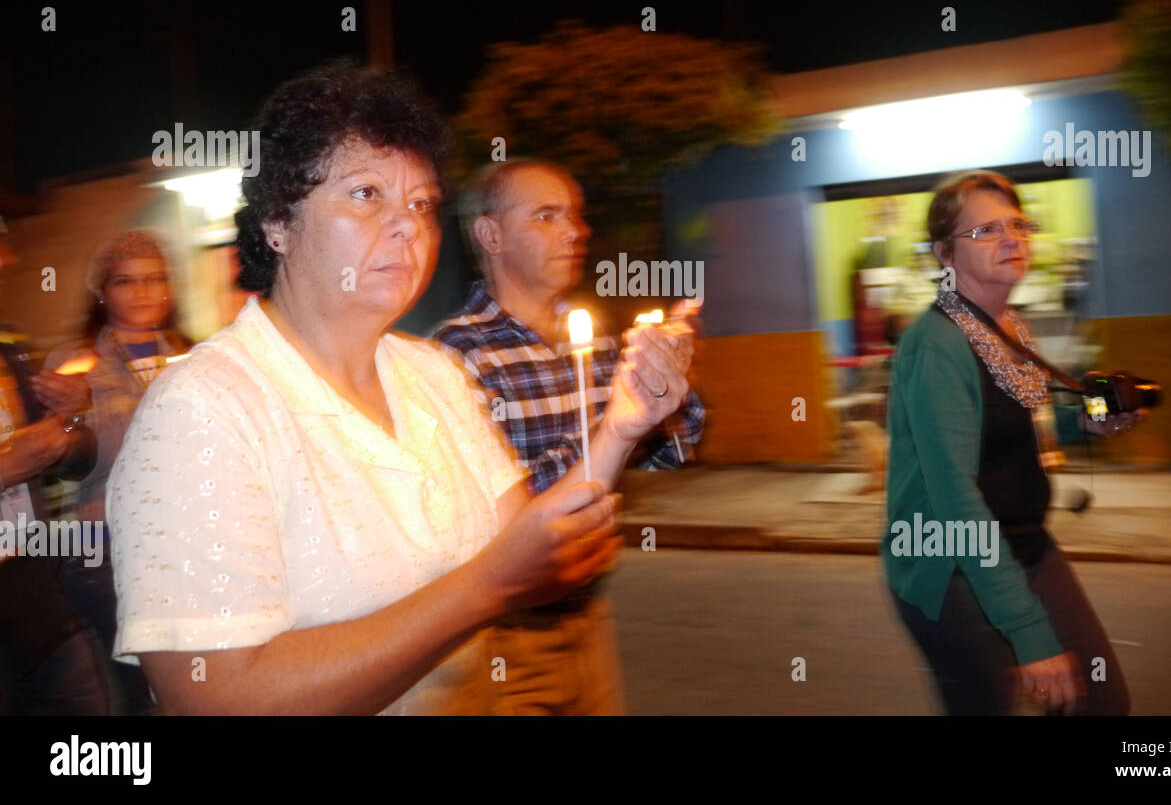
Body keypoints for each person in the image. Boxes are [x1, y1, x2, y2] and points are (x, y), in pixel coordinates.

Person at [105, 60, 694, 715]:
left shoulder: (431, 373)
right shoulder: (205, 407)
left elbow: (523, 542)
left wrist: (620, 425)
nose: (408, 223)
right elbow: (216, 695)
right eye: (365, 194)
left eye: (421, 204)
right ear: (278, 223)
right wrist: (482, 590)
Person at [434, 158, 705, 715]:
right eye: (546, 215)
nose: (574, 231)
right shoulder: (453, 356)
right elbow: (504, 515)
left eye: (575, 215)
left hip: (591, 618)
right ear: (491, 235)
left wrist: (671, 379)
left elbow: (672, 453)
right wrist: (613, 433)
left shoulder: (594, 339)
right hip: (505, 637)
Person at [882, 170, 1141, 716]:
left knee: (1101, 703)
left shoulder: (1010, 327)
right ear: (943, 254)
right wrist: (1029, 633)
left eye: (1018, 225)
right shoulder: (936, 346)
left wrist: (1085, 424)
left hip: (1024, 544)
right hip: (951, 565)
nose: (1012, 239)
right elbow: (954, 495)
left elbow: (1023, 426)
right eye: (986, 231)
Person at [46, 230, 192, 714]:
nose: (144, 292)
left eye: (154, 279)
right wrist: (71, 419)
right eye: (127, 282)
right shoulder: (75, 366)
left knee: (189, 686)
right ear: (102, 291)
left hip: (183, 544)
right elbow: (69, 466)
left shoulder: (195, 356)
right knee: (141, 694)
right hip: (106, 550)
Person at [0, 222, 108, 714]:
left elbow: (76, 460)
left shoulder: (10, 349)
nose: (9, 260)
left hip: (38, 604)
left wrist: (71, 422)